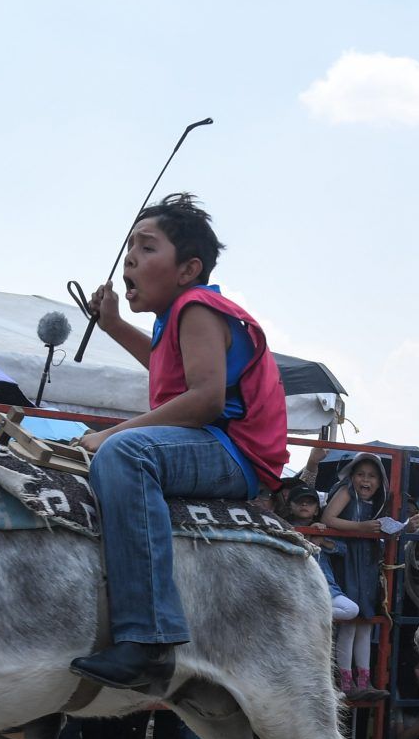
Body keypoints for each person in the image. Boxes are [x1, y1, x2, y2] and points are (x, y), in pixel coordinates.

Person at [71, 194, 290, 690]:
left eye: (147, 248)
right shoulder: (175, 317)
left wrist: (112, 434)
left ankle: (147, 635)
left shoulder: (196, 307)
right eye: (129, 246)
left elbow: (206, 398)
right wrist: (114, 326)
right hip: (208, 441)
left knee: (125, 453)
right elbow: (169, 368)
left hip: (234, 452)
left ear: (189, 268)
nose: (130, 258)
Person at [321, 452, 397, 696]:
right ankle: (346, 682)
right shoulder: (346, 491)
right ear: (352, 476)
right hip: (347, 559)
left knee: (366, 621)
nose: (366, 480)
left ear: (380, 481)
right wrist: (361, 528)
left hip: (366, 562)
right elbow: (328, 518)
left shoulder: (378, 502)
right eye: (361, 474)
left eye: (372, 476)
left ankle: (364, 682)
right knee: (350, 623)